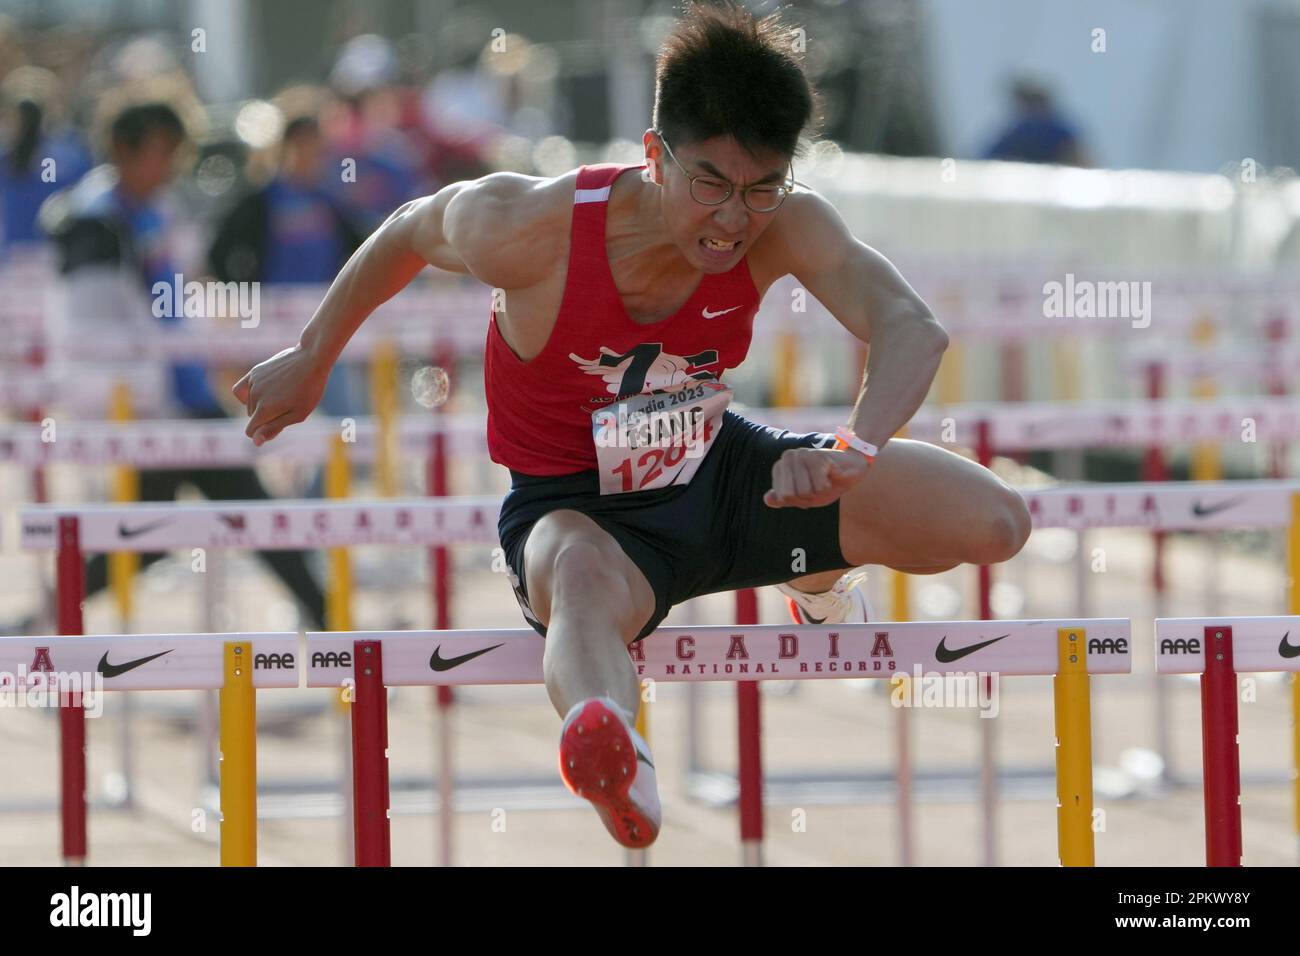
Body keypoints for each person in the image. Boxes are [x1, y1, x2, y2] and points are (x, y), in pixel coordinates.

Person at [234, 2, 1031, 849]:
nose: (733, 221)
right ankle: (617, 750)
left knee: (995, 520)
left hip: (721, 472)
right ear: (655, 156)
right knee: (578, 577)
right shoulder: (528, 228)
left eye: (762, 189)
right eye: (712, 185)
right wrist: (314, 356)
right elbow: (406, 229)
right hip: (576, 512)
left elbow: (911, 325)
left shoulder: (785, 223)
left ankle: (813, 574)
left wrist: (852, 449)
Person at [43, 101, 327, 631]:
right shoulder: (90, 223)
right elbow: (91, 333)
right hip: (143, 404)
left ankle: (48, 618)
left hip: (182, 397)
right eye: (161, 153)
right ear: (124, 151)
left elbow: (178, 303)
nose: (171, 165)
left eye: (176, 153)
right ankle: (47, 623)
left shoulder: (159, 209)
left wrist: (212, 349)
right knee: (218, 521)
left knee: (203, 524)